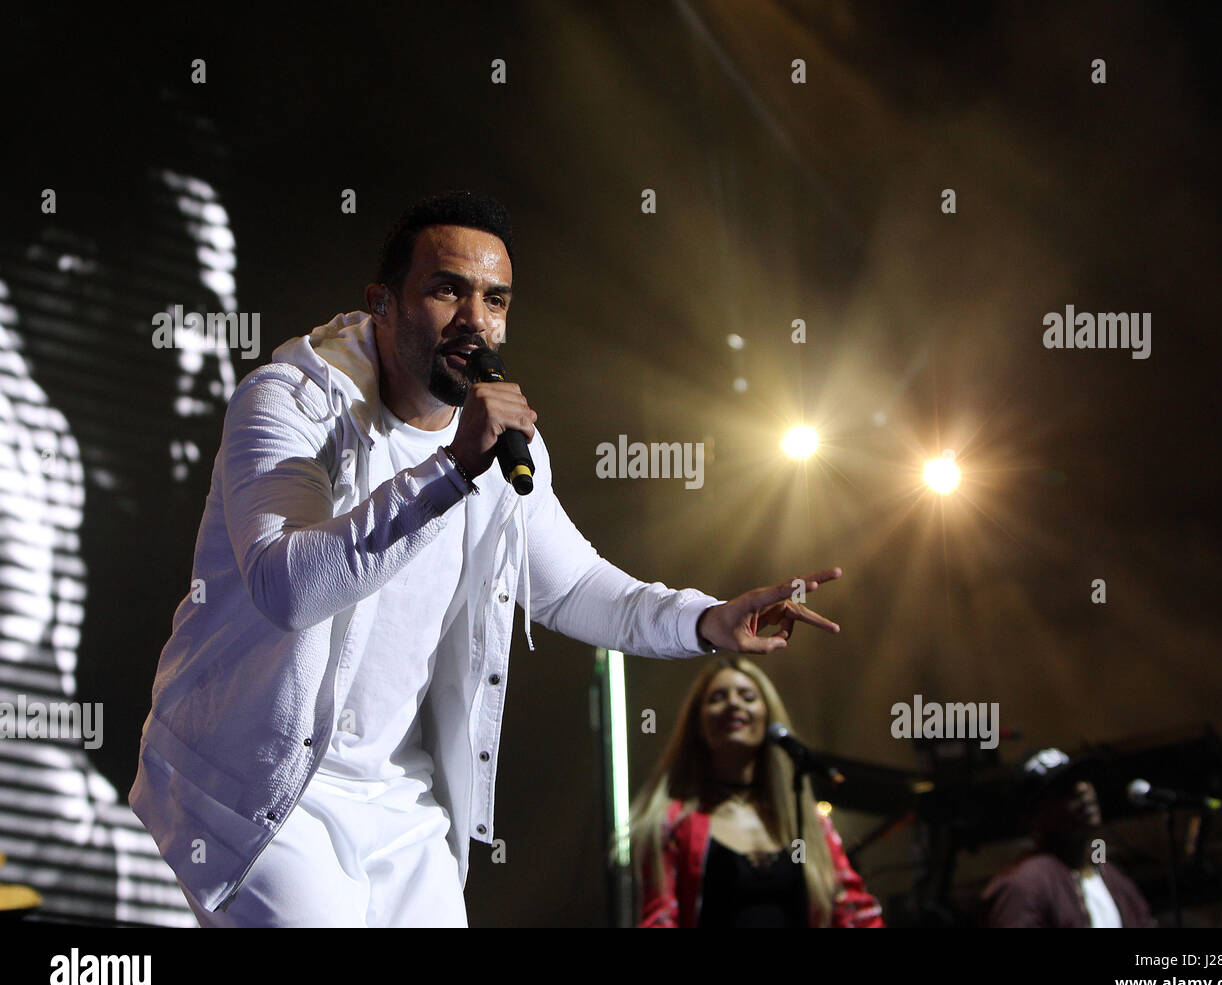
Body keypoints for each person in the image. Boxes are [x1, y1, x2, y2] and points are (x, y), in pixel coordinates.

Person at [129, 191, 843, 927]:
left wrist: (707, 620)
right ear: (383, 303)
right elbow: (287, 588)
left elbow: (575, 589)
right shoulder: (290, 403)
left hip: (403, 797)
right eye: (447, 290)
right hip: (264, 786)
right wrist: (451, 469)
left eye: (496, 300)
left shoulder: (504, 449)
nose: (476, 319)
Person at [630, 655, 883, 927]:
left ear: (768, 718)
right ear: (698, 726)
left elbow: (854, 910)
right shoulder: (672, 825)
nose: (734, 703)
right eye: (717, 698)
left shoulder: (807, 822)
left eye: (748, 696)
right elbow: (661, 918)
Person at [980, 748, 1155, 928]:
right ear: (1033, 815)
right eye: (1063, 789)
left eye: (1082, 779)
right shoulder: (1024, 884)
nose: (1082, 789)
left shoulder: (1107, 872)